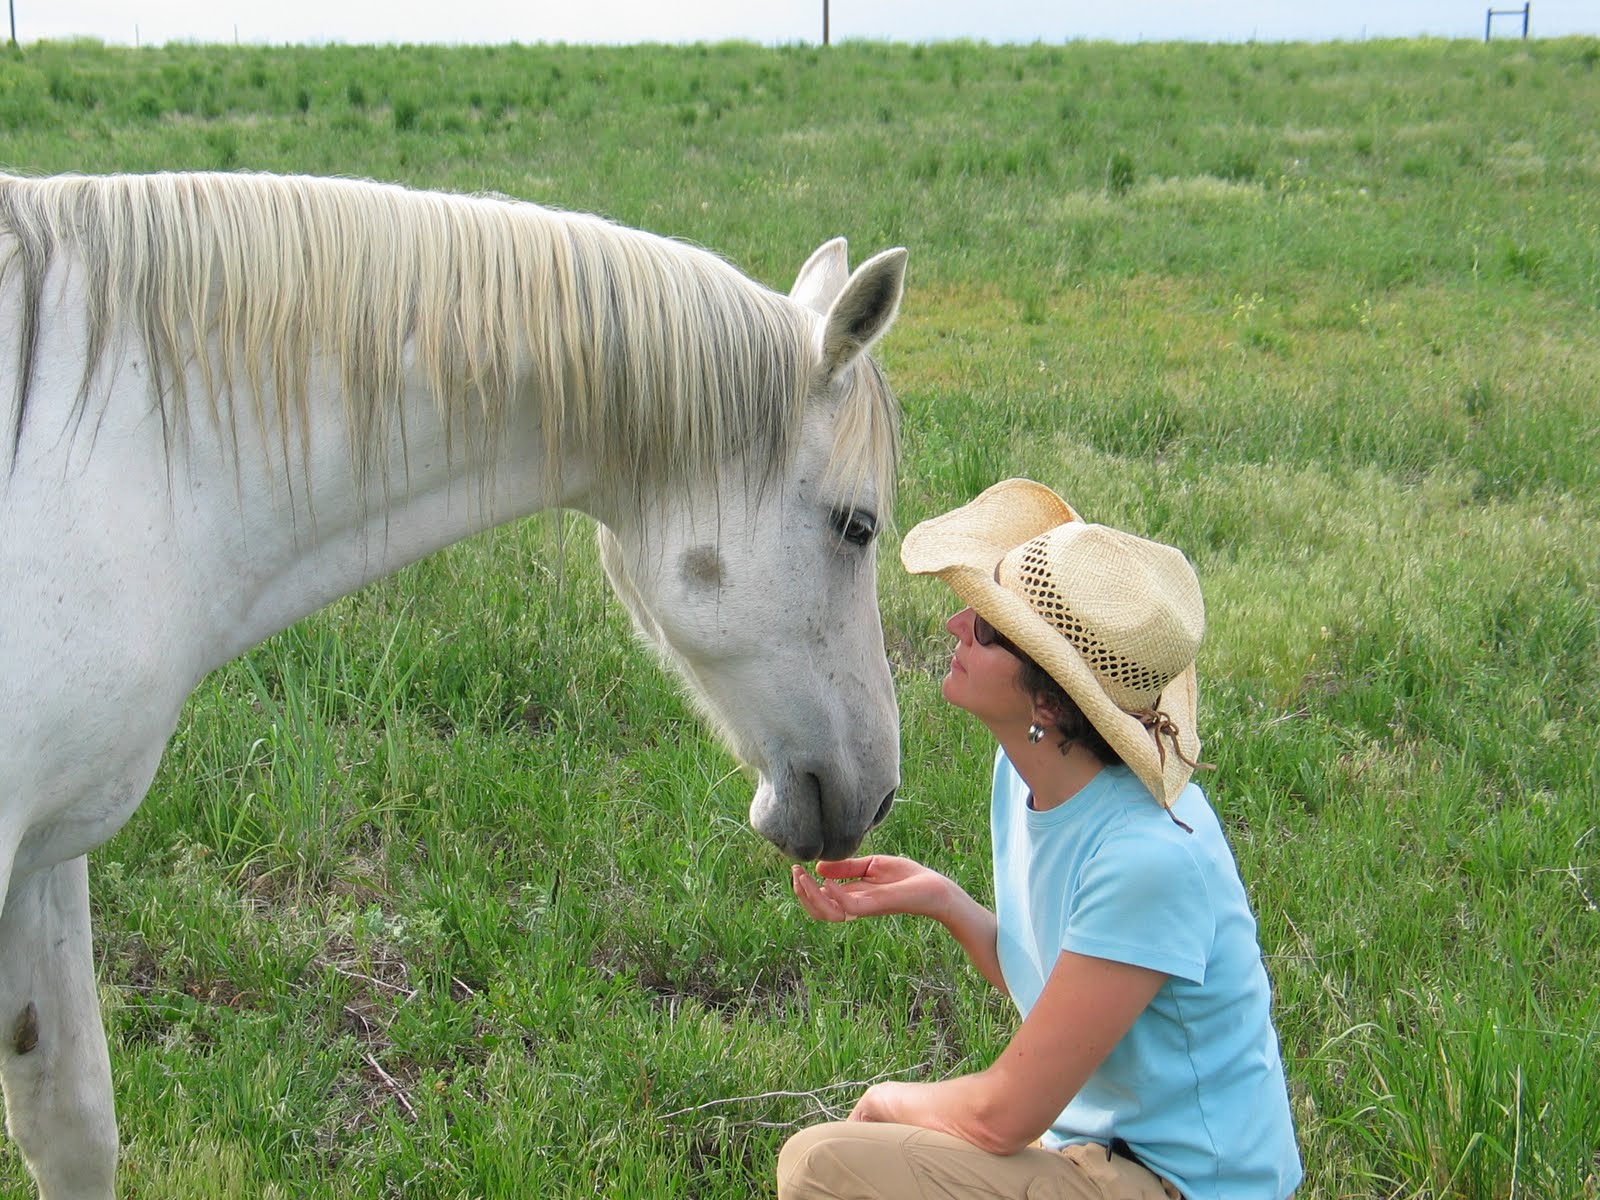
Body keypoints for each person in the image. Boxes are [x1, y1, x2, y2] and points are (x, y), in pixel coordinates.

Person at [778, 479, 1301, 1200]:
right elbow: (1061, 989)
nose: (956, 624)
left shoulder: (1149, 858)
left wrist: (886, 1100)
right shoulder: (1027, 774)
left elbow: (1004, 1117)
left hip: (1180, 1187)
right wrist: (945, 902)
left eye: (989, 628)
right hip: (1095, 1157)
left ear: (1050, 702)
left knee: (824, 1166)